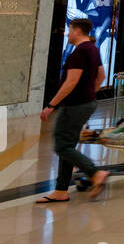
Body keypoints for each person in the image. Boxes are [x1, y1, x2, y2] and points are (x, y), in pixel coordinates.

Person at [38, 19, 108, 202]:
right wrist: (90, 93)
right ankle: (61, 190)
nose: (67, 34)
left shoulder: (79, 52)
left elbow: (71, 81)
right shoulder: (93, 49)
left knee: (62, 145)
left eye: (69, 30)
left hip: (74, 105)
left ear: (77, 31)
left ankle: (95, 173)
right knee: (67, 145)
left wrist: (51, 105)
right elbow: (101, 75)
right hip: (86, 103)